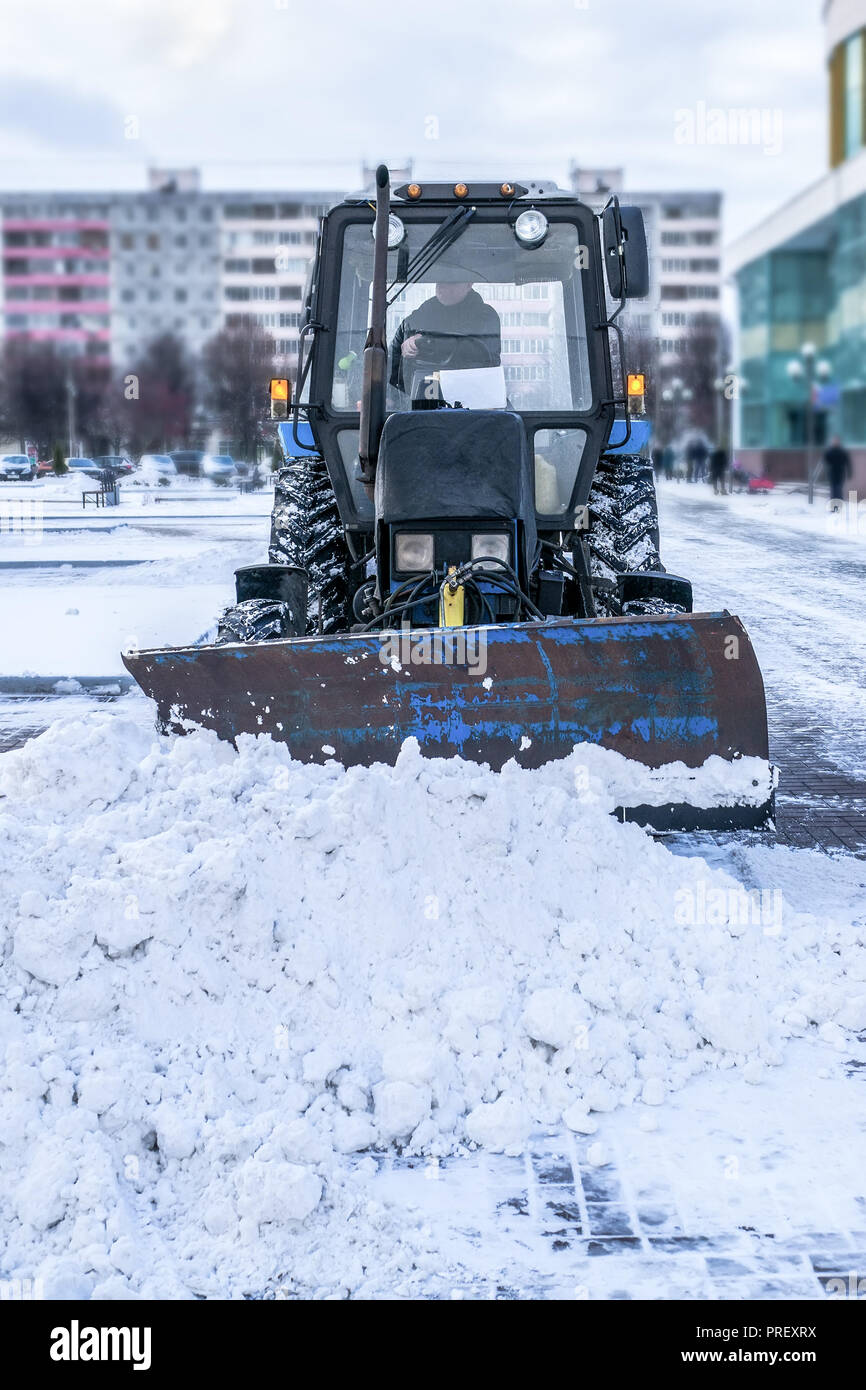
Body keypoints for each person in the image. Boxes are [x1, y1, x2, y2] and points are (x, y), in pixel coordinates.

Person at [389, 280, 501, 395]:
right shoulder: (418, 317)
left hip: (473, 400)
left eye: (451, 281)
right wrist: (389, 395)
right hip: (418, 399)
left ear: (469, 284)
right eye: (439, 280)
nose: (442, 285)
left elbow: (477, 352)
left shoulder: (485, 316)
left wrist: (426, 341)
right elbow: (391, 358)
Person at [823, 435, 853, 506]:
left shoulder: (842, 452)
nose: (835, 442)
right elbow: (826, 460)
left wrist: (849, 472)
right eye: (834, 441)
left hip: (840, 472)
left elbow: (847, 462)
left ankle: (839, 505)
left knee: (838, 489)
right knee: (833, 490)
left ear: (839, 442)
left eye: (836, 441)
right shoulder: (830, 451)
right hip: (832, 472)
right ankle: (834, 506)